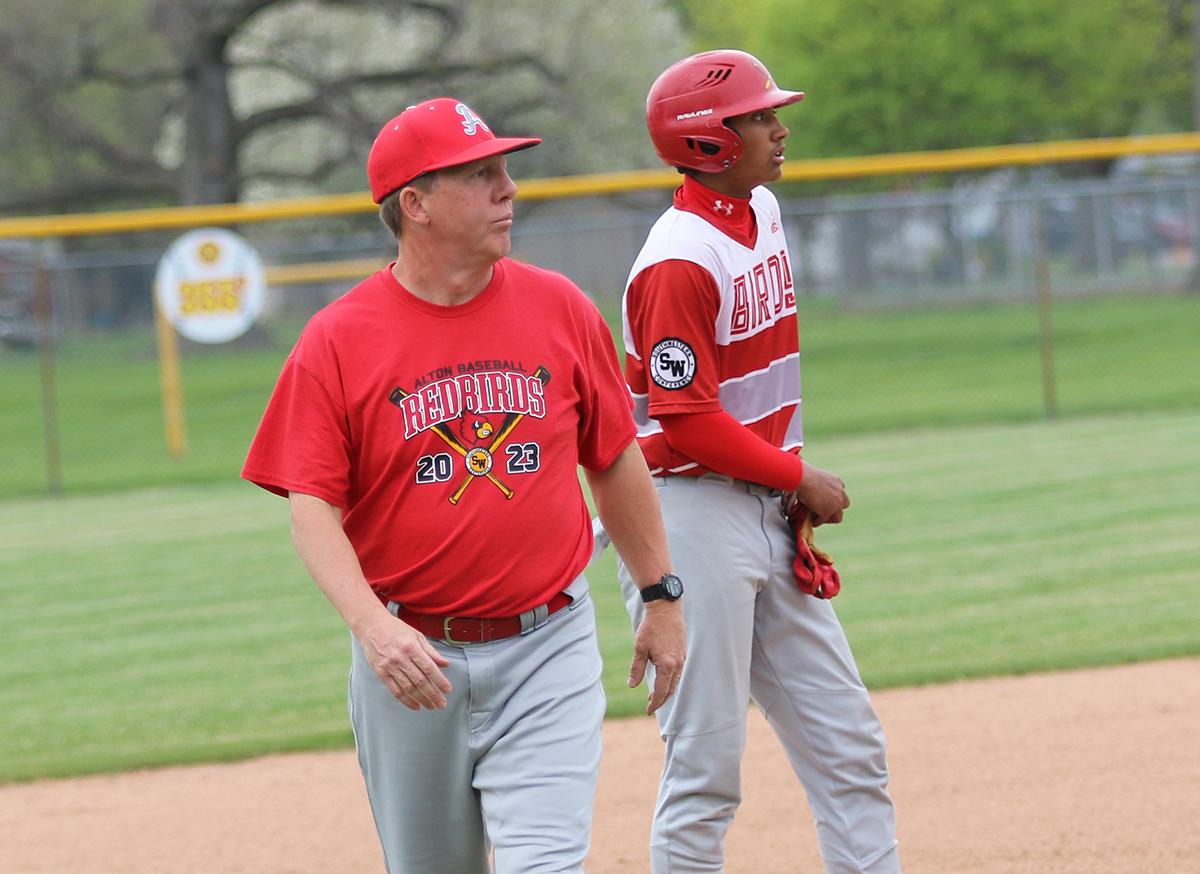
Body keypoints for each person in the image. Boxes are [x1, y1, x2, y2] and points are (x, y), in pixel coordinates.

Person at [242, 96, 686, 874]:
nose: (508, 188)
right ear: (414, 204)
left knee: (544, 865)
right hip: (413, 661)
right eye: (481, 175)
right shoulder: (338, 339)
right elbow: (312, 509)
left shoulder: (560, 307)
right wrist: (373, 629)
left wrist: (661, 596)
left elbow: (614, 459)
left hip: (550, 644)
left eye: (505, 170)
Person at [613, 51, 901, 874]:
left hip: (763, 509)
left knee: (850, 746)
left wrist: (784, 487)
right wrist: (797, 477)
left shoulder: (760, 210)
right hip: (688, 516)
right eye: (758, 116)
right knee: (705, 771)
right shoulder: (678, 259)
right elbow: (687, 419)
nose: (779, 128)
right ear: (709, 140)